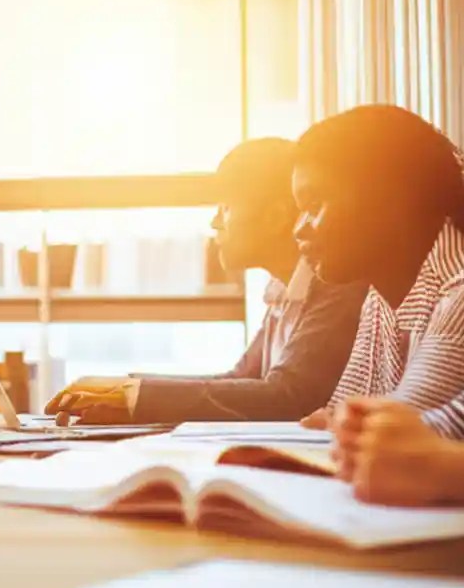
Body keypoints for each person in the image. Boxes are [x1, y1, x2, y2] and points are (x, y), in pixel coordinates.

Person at [44, 138, 366, 424]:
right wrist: (124, 390)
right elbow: (240, 379)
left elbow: (285, 396)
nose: (214, 221)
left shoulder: (336, 287)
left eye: (226, 207)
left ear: (274, 218)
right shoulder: (284, 290)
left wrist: (133, 394)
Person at [330, 76, 464, 508]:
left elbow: (423, 444)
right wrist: (375, 434)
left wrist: (436, 463)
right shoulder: (379, 296)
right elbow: (462, 423)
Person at [291, 105, 464, 431]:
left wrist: (349, 425)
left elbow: (393, 441)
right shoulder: (379, 300)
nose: (299, 229)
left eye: (313, 205)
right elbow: (330, 423)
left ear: (388, 195)